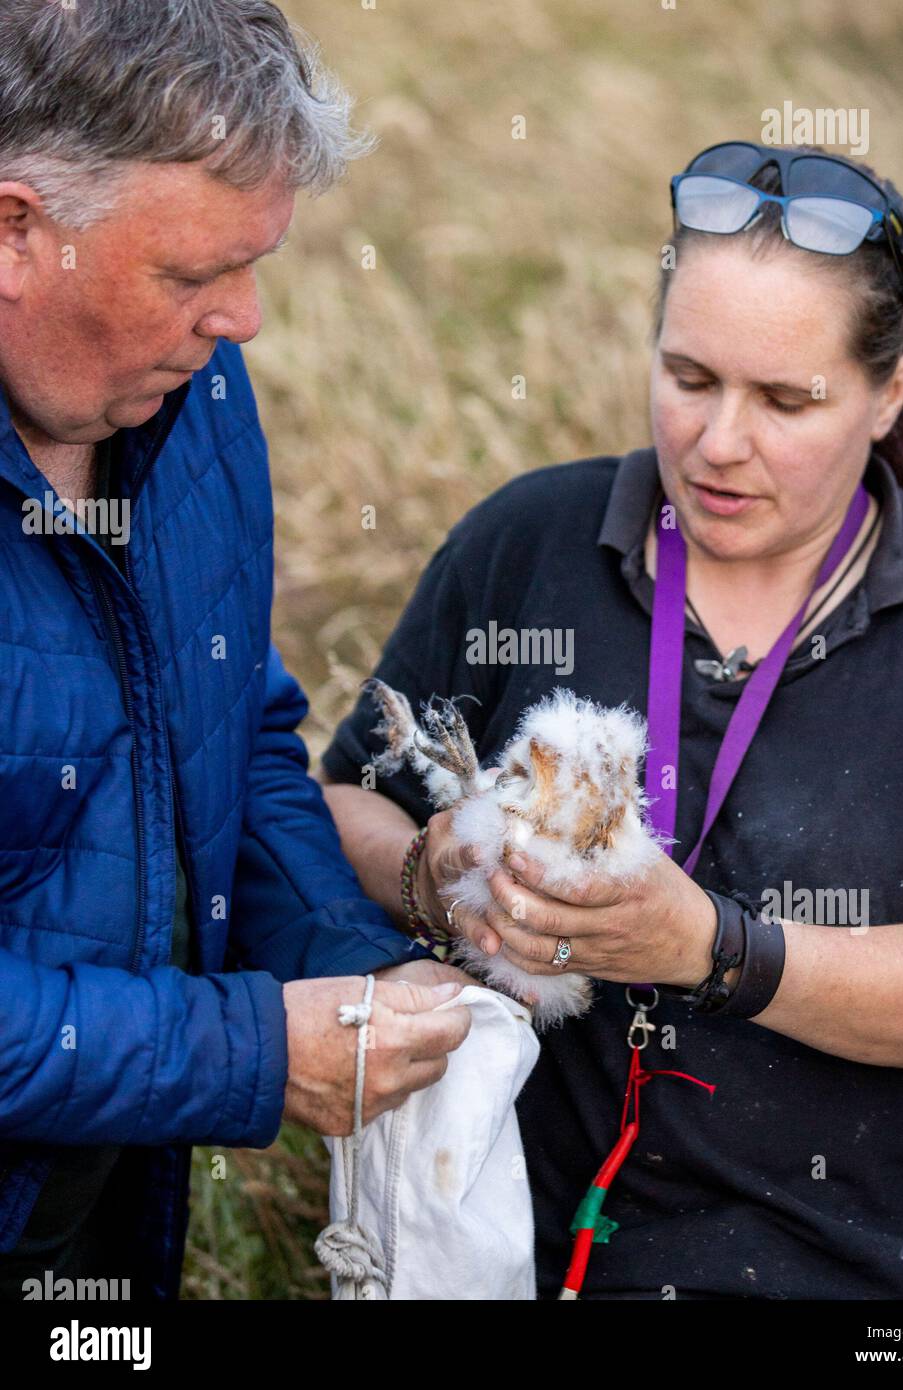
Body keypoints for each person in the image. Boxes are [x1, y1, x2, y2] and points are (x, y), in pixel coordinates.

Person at [321, 139, 903, 1299]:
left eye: (783, 399)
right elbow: (338, 801)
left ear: (887, 392)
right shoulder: (528, 539)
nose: (716, 443)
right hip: (548, 1263)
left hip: (889, 1281)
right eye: (689, 377)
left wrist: (707, 947)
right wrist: (427, 866)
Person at [0, 0, 469, 1302]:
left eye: (255, 262)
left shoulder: (187, 391)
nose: (246, 320)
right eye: (194, 274)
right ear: (15, 228)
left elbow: (227, 728)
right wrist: (254, 1055)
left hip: (99, 1200)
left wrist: (355, 975)